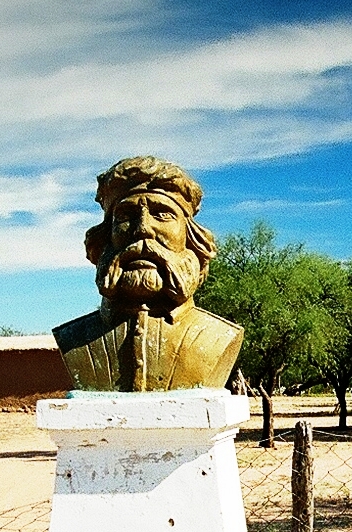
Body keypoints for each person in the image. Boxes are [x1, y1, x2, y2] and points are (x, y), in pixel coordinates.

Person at [53, 156, 242, 391]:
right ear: (107, 235)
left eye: (162, 214)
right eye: (125, 215)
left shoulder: (219, 336)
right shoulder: (74, 339)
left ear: (190, 235)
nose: (143, 228)